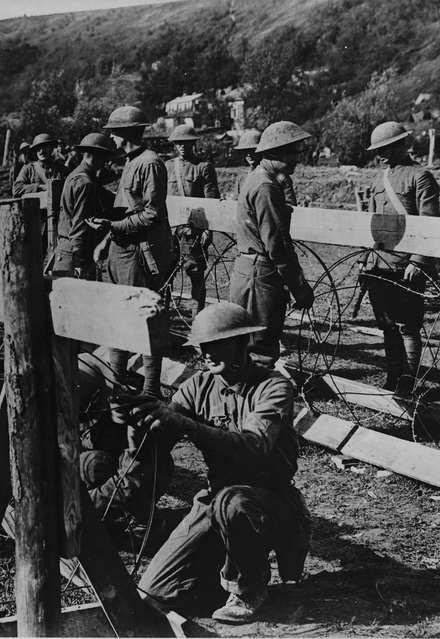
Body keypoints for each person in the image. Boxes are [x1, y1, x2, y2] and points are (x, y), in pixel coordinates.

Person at [132, 302, 311, 623]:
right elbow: (158, 445)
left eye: (217, 345)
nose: (207, 354)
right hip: (217, 498)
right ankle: (224, 573)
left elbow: (254, 447)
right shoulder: (197, 386)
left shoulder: (273, 386)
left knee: (234, 503)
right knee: (155, 590)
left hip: (271, 500)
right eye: (203, 347)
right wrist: (138, 425)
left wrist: (187, 425)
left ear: (243, 344)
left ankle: (249, 588)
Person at [89, 106, 174, 398]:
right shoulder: (131, 161)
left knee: (144, 318)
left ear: (126, 133)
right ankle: (117, 382)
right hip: (120, 250)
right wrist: (106, 238)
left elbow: (152, 214)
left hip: (137, 255)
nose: (110, 137)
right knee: (118, 318)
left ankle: (151, 390)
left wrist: (114, 225)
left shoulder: (150, 163)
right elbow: (127, 208)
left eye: (113, 132)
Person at [362, 122, 440, 395]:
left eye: (386, 148)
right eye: (378, 150)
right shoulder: (377, 180)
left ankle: (408, 378)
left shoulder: (420, 177)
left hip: (406, 266)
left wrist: (418, 261)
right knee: (386, 325)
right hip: (379, 264)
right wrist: (366, 262)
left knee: (407, 325)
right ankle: (393, 373)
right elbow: (370, 226)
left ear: (401, 146)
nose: (381, 154)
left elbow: (430, 224)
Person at [228, 121, 314, 368]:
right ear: (277, 152)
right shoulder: (266, 186)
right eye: (294, 153)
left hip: (253, 272)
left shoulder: (260, 178)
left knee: (246, 349)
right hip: (260, 277)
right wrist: (298, 285)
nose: (298, 158)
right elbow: (277, 244)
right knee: (261, 353)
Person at [77, 352, 174, 550]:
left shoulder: (133, 419)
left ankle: (153, 524)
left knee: (96, 466)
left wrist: (84, 507)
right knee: (89, 464)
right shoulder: (95, 413)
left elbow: (129, 484)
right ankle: (107, 516)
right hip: (113, 469)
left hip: (147, 474)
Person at [165, 124, 220, 313]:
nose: (182, 146)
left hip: (192, 230)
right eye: (178, 143)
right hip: (171, 229)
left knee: (195, 273)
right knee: (165, 273)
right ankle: (163, 315)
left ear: (194, 143)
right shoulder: (168, 167)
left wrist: (208, 230)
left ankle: (200, 318)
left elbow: (211, 202)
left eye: (186, 143)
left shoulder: (203, 167)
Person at [52, 133, 116, 279]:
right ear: (99, 155)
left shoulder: (78, 175)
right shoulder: (86, 183)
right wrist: (80, 263)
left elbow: (106, 196)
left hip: (67, 250)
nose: (105, 162)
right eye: (104, 156)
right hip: (75, 256)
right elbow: (80, 225)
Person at [231, 129, 262, 197]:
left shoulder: (275, 176)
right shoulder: (242, 178)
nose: (248, 155)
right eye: (245, 151)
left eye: (252, 150)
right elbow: (236, 201)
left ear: (261, 150)